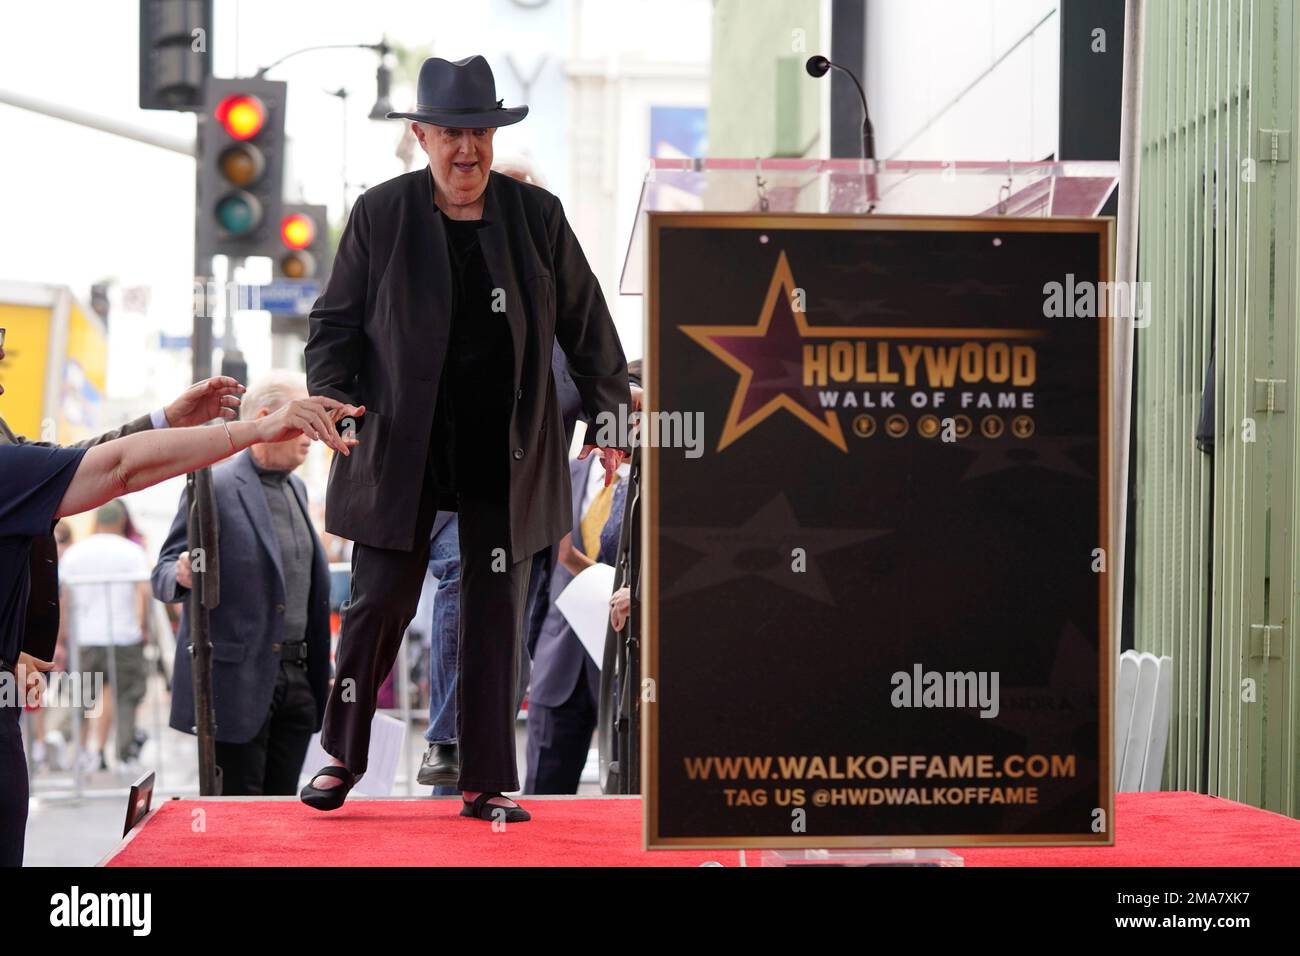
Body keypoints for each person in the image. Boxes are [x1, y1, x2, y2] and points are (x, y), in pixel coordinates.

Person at [303, 54, 629, 822]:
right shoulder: (381, 215)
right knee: (377, 608)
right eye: (451, 133)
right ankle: (339, 756)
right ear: (421, 136)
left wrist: (611, 418)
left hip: (505, 454)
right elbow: (334, 326)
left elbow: (589, 327)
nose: (467, 151)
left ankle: (485, 782)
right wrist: (336, 398)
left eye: (480, 132)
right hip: (398, 450)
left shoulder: (536, 219)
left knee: (493, 619)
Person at [0, 337, 360, 865]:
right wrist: (251, 430)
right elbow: (113, 468)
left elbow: (79, 463)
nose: (5, 374)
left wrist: (164, 420)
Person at [416, 155, 586, 791]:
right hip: (457, 504)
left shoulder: (562, 307)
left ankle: (474, 774)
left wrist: (623, 412)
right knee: (470, 579)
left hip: (535, 516)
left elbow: (593, 377)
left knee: (508, 659)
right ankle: (447, 743)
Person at [152, 372, 334, 796]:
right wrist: (180, 573)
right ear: (268, 418)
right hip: (236, 685)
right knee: (237, 818)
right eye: (305, 420)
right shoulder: (212, 485)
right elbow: (161, 572)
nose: (314, 434)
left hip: (296, 682)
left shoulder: (298, 489)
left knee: (285, 817)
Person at [526, 362, 641, 793]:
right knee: (541, 799)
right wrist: (532, 652)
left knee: (622, 799)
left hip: (624, 665)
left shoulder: (659, 484)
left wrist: (578, 563)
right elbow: (539, 579)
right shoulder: (561, 476)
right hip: (558, 664)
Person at [60, 499, 152, 772]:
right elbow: (142, 593)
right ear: (121, 522)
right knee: (125, 697)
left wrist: (62, 636)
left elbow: (64, 598)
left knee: (83, 699)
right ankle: (122, 755)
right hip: (124, 635)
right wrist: (142, 627)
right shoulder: (132, 551)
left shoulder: (76, 553)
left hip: (87, 636)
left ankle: (80, 752)